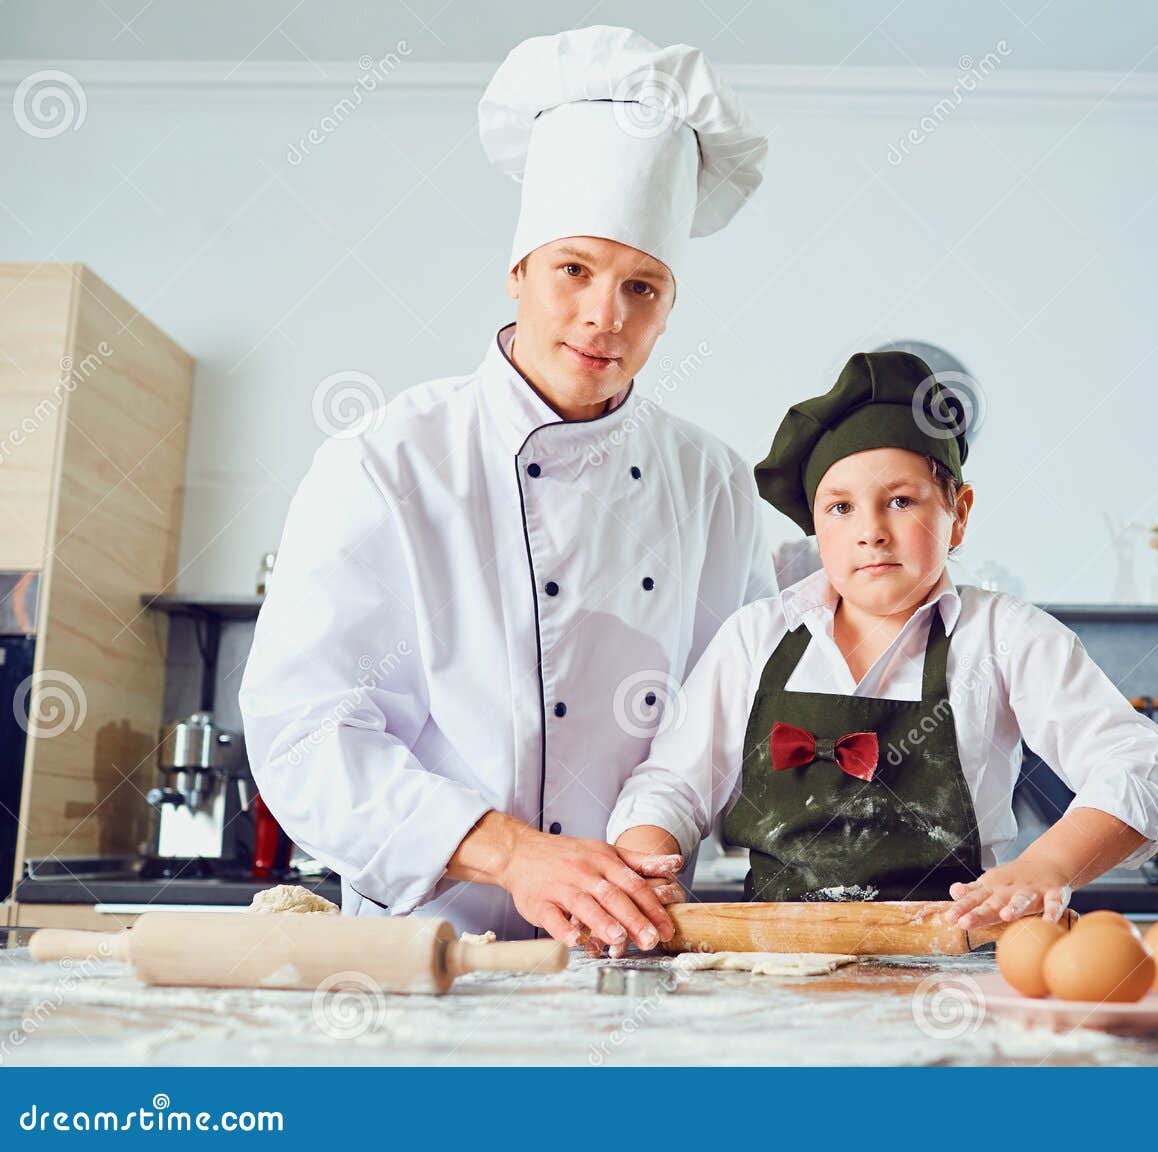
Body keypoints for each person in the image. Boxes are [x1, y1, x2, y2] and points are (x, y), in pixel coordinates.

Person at [240, 26, 773, 948]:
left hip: (640, 949)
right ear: (519, 272)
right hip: (428, 954)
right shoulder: (387, 461)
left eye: (643, 286)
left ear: (670, 305)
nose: (606, 315)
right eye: (576, 270)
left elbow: (742, 719)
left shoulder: (714, 482)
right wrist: (513, 854)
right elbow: (303, 732)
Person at [607, 351, 1158, 926]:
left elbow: (1140, 767)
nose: (871, 533)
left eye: (900, 502)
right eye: (840, 508)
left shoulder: (1007, 637)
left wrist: (1048, 865)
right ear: (815, 524)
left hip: (953, 971)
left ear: (959, 513)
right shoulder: (756, 637)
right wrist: (642, 868)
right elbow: (672, 786)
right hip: (780, 972)